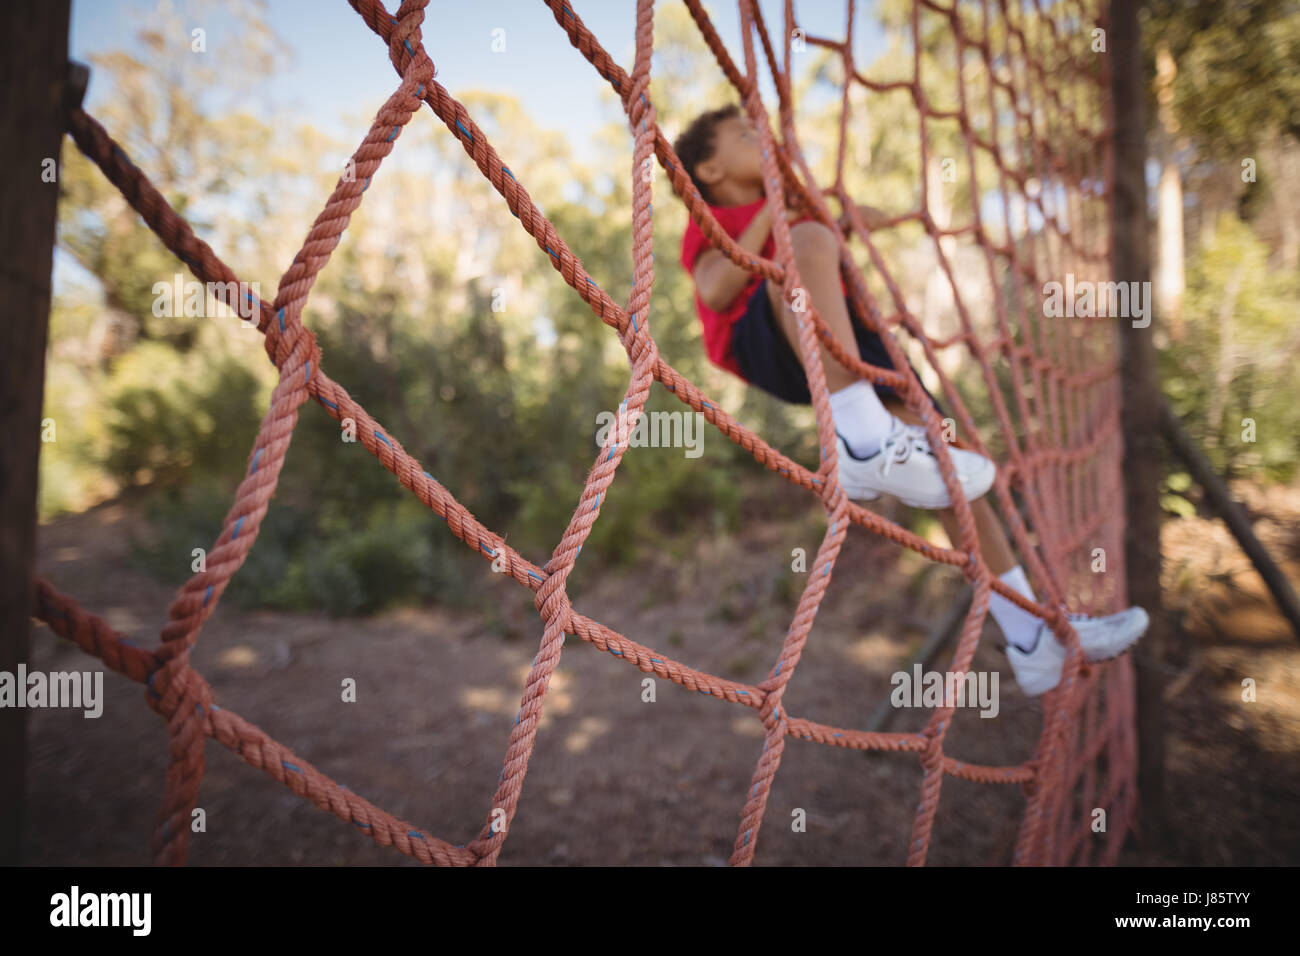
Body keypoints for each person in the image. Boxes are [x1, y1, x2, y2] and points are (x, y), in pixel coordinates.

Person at [672, 103, 1147, 696]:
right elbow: (715, 290)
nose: (761, 136)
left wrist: (891, 212)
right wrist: (778, 208)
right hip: (768, 336)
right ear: (710, 168)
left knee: (955, 473)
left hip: (846, 336)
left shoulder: (796, 199)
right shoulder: (713, 212)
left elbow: (855, 218)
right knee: (807, 238)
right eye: (745, 134)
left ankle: (1033, 639)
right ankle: (861, 438)